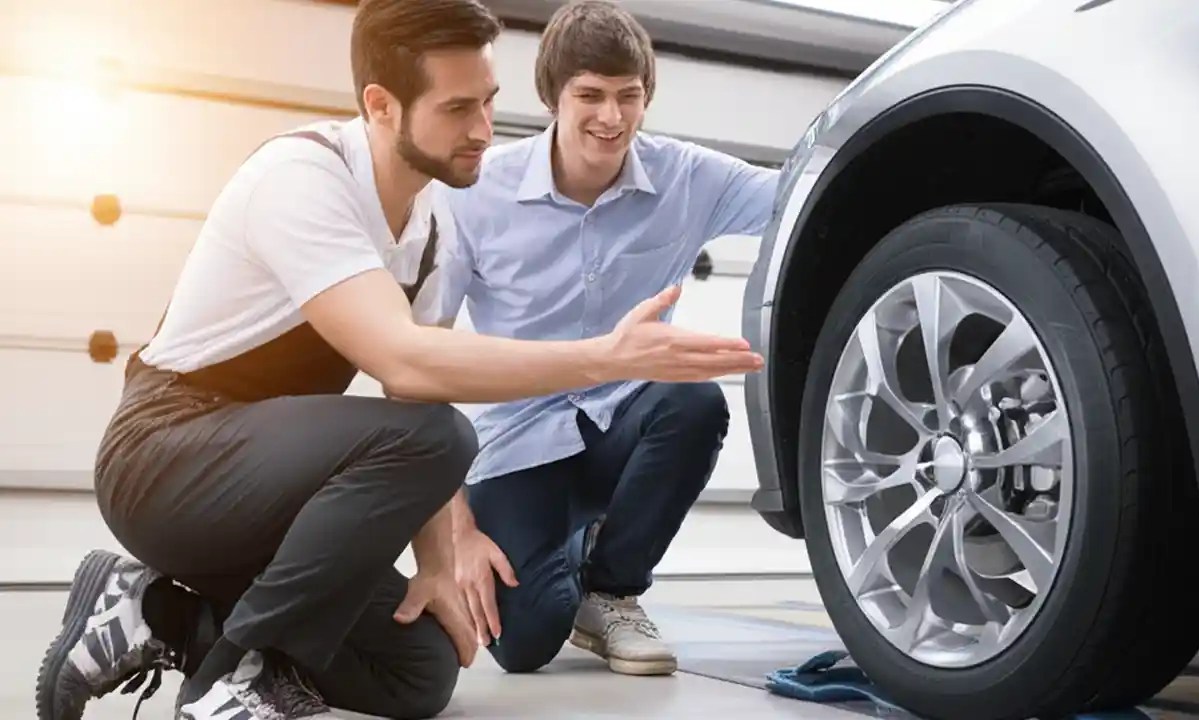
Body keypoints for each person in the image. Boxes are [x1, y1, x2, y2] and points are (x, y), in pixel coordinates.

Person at [33, 1, 763, 719]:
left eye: (488, 102)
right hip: (166, 459)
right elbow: (409, 369)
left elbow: (413, 398)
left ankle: (153, 613)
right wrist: (605, 358)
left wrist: (440, 562)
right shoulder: (302, 178)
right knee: (439, 437)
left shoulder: (432, 223)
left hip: (275, 498)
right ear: (381, 106)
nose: (484, 131)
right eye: (457, 110)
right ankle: (239, 681)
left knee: (419, 670)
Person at [436, 0, 781, 678]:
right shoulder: (474, 194)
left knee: (695, 401)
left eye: (629, 96)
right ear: (552, 98)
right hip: (517, 443)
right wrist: (458, 531)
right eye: (590, 95)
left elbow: (803, 196)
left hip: (625, 426)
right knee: (524, 643)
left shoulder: (686, 177)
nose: (612, 117)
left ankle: (612, 590)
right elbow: (420, 362)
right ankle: (570, 555)